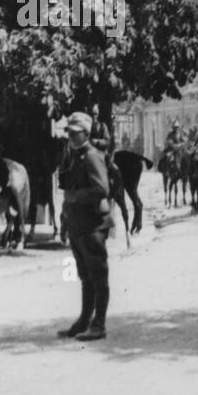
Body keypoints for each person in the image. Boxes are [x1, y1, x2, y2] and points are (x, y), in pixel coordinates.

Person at [57, 112, 112, 341]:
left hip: (92, 226)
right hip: (78, 225)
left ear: (86, 134)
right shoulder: (74, 157)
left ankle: (98, 325)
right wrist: (65, 220)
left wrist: (76, 198)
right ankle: (84, 321)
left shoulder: (91, 156)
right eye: (69, 132)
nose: (71, 136)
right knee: (85, 276)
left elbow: (102, 189)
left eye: (75, 132)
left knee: (98, 276)